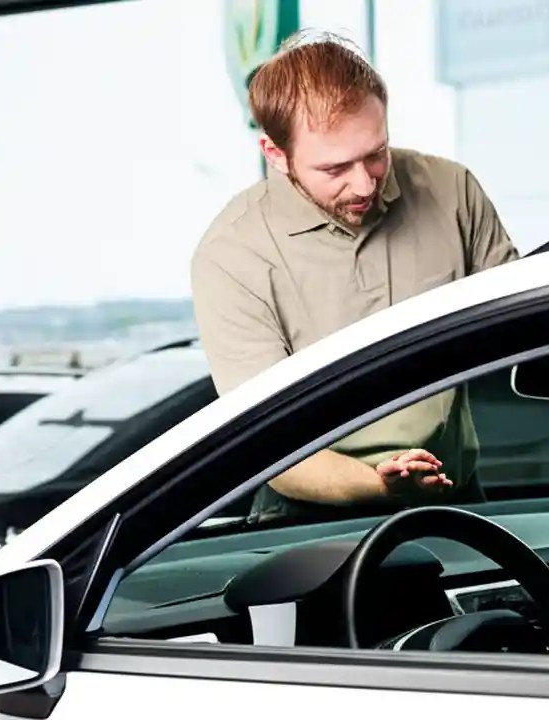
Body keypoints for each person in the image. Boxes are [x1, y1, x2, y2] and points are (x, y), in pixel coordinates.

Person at [190, 31, 518, 522]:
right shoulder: (232, 255)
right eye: (335, 168)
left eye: (376, 153)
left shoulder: (451, 192)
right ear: (275, 154)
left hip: (455, 500)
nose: (365, 183)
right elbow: (264, 445)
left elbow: (522, 321)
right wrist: (378, 484)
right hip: (303, 519)